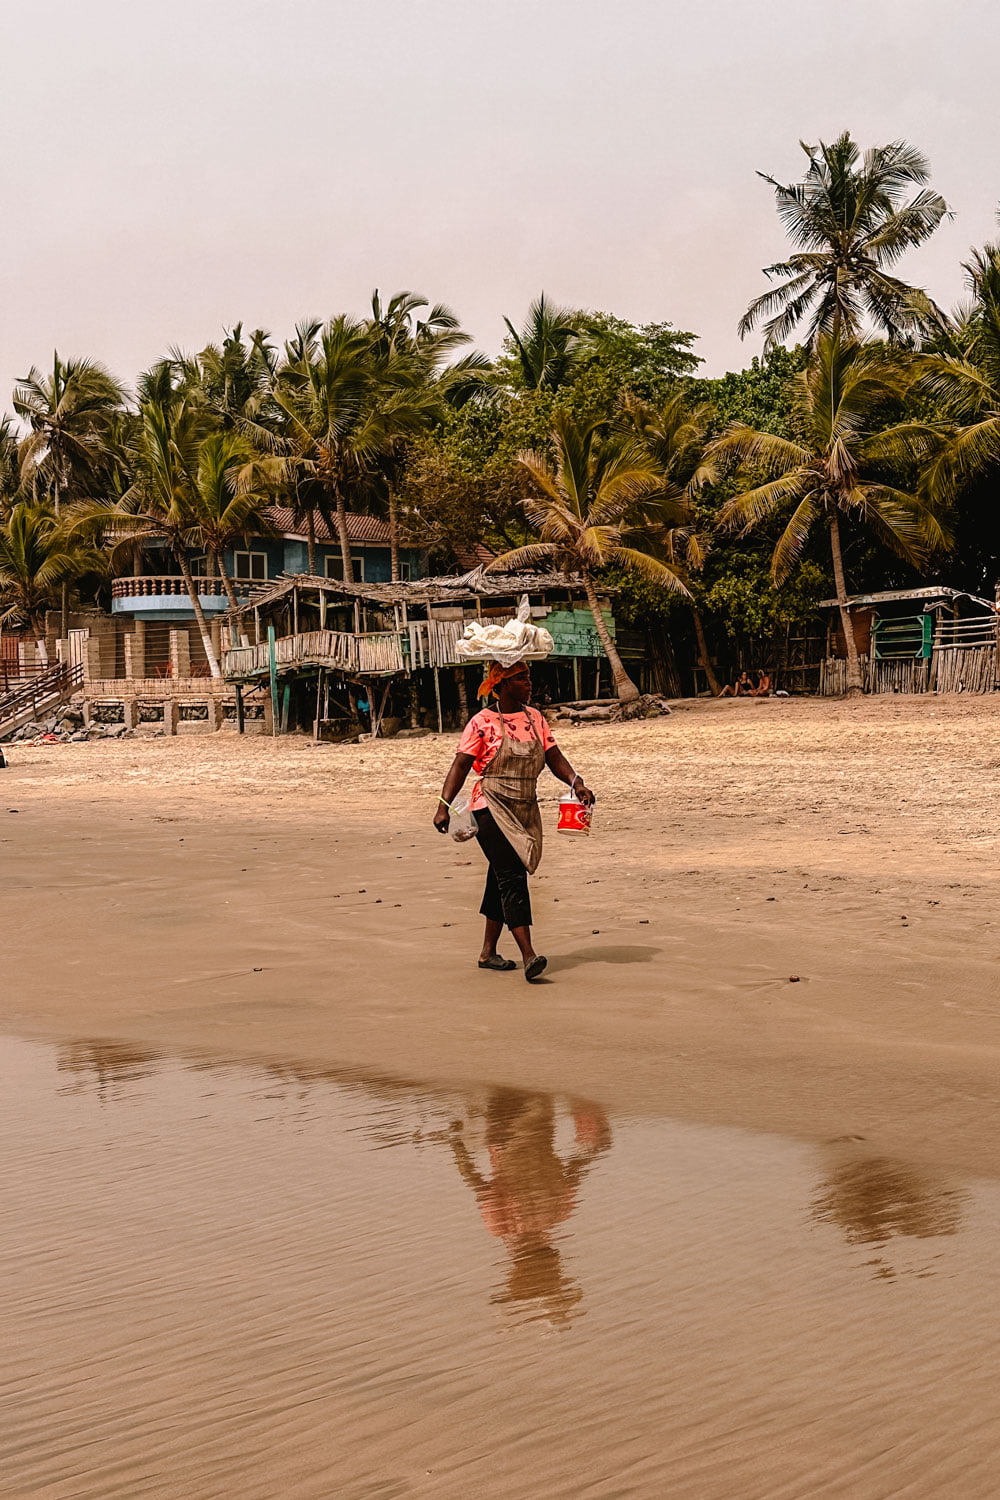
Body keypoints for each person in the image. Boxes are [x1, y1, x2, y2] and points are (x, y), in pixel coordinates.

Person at [433, 660, 595, 982]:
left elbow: (553, 756)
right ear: (502, 684)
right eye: (521, 679)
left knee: (500, 877)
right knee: (511, 876)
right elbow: (461, 765)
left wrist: (576, 782)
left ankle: (488, 953)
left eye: (528, 678)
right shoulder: (481, 722)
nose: (528, 684)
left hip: (525, 806)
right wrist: (443, 806)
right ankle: (529, 955)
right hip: (489, 805)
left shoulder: (535, 718)